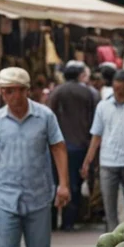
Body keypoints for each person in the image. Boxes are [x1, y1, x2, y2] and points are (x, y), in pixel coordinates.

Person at [0, 68, 70, 247]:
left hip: (38, 196)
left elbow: (58, 148)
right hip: (5, 198)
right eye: (9, 91)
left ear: (28, 91)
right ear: (2, 93)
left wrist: (64, 184)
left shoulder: (45, 116)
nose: (15, 96)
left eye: (20, 90)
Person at [81, 69, 124, 231]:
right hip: (108, 162)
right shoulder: (103, 106)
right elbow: (96, 135)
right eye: (115, 83)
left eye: (121, 83)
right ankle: (112, 236)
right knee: (109, 206)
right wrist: (88, 161)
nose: (117, 86)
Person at [47, 60, 97, 230]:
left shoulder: (56, 92)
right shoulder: (87, 92)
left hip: (57, 145)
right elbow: (92, 118)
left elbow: (49, 116)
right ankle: (69, 221)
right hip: (79, 145)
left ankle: (53, 220)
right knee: (74, 184)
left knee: (56, 182)